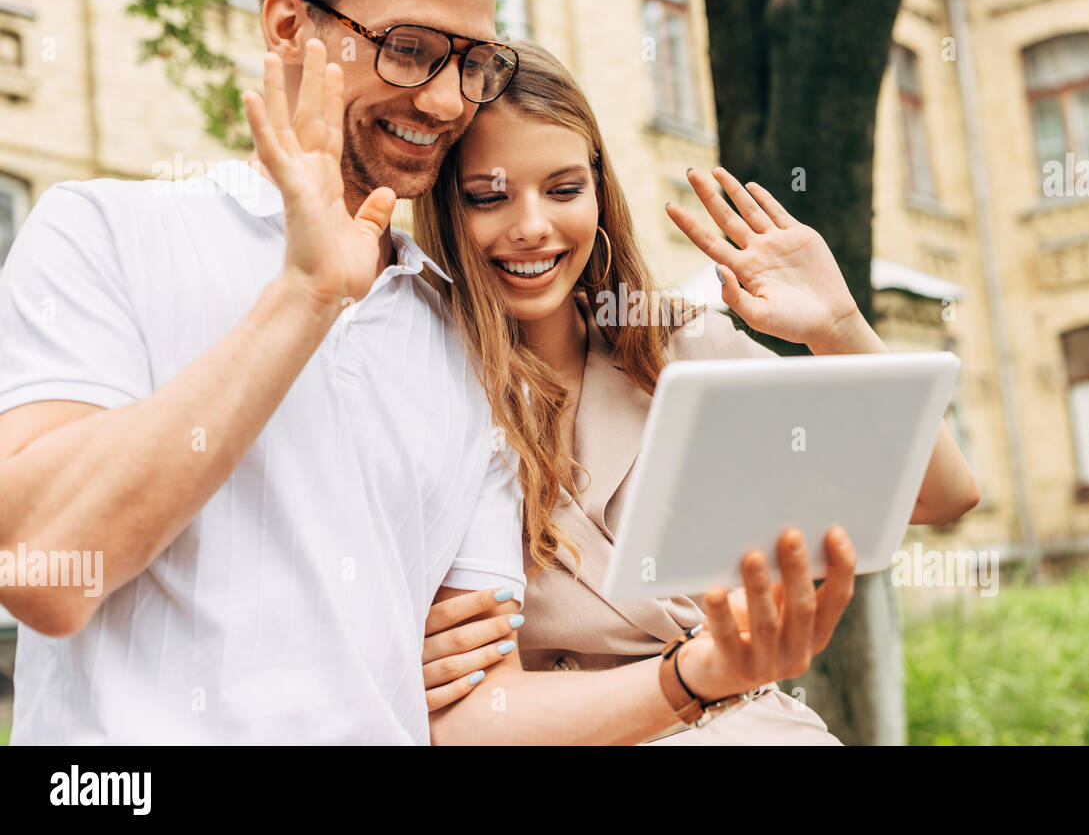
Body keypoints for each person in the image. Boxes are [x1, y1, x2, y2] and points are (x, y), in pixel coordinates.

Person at [0, 0, 536, 744]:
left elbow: (470, 701)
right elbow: (45, 570)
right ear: (288, 27)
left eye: (473, 62)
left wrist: (700, 678)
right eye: (408, 48)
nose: (445, 102)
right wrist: (304, 297)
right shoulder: (102, 231)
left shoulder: (469, 329)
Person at [413, 41, 982, 743]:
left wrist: (839, 327)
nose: (532, 225)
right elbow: (469, 719)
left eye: (563, 189)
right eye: (489, 195)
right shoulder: (424, 388)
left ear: (599, 194)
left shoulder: (673, 346)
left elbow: (942, 494)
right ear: (446, 206)